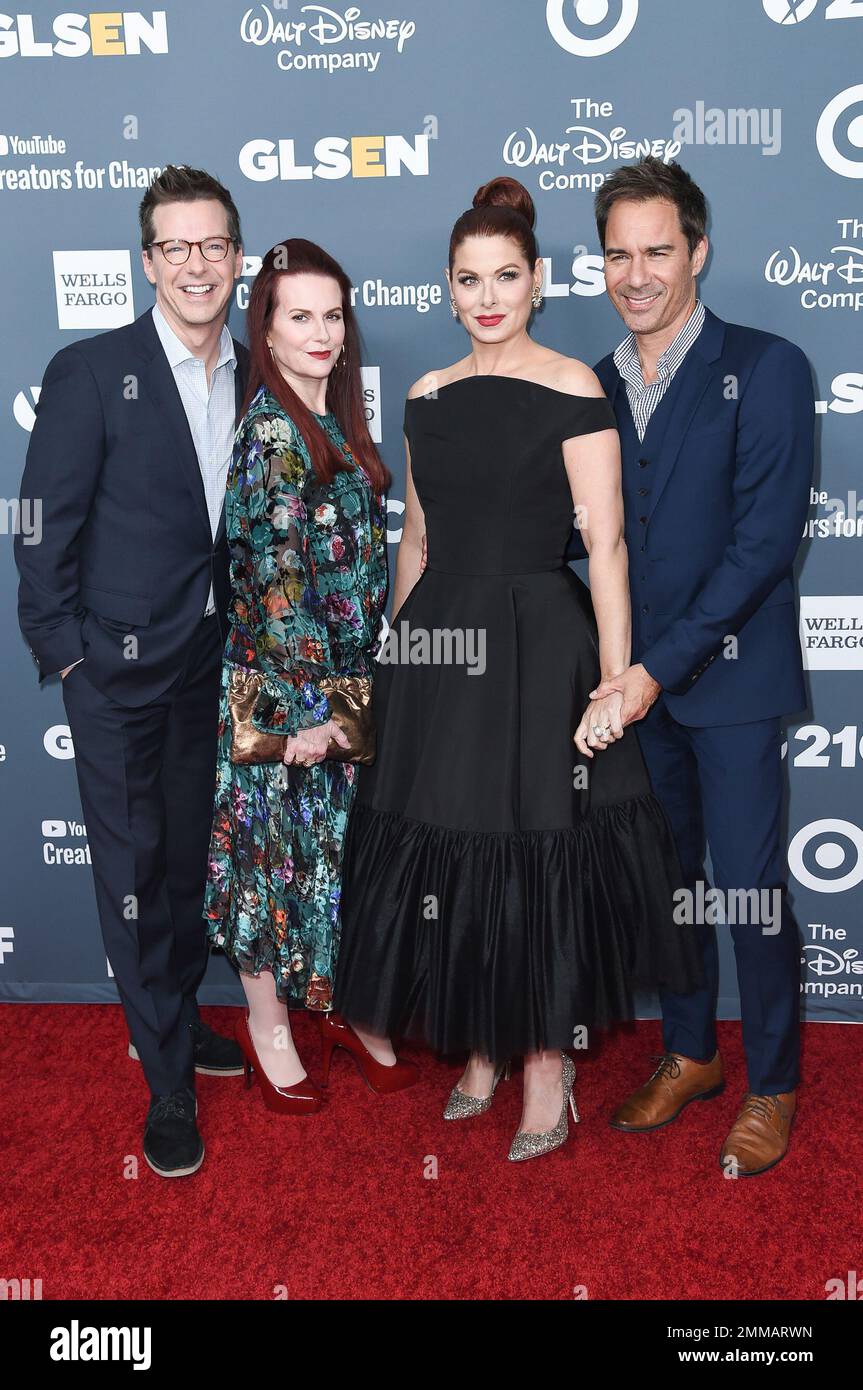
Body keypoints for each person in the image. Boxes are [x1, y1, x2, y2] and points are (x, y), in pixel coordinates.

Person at [331, 176, 704, 1162]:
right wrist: (394, 654)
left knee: (535, 847)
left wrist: (615, 683)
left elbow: (607, 547)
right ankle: (483, 1042)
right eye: (467, 278)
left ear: (536, 280)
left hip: (542, 643)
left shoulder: (574, 389)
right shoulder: (425, 398)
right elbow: (414, 538)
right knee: (453, 848)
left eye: (504, 275)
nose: (486, 294)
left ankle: (546, 1057)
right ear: (448, 290)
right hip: (439, 646)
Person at [572, 157, 814, 1176]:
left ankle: (771, 1084)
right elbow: (587, 541)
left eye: (656, 251)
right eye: (617, 254)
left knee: (747, 887)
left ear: (697, 251)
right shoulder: (590, 382)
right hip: (636, 692)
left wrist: (649, 671)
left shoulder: (765, 367)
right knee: (665, 881)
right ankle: (688, 1050)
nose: (636, 274)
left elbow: (761, 550)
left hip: (727, 684)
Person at [15, 165, 251, 1178]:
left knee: (185, 866)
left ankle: (182, 1015)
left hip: (207, 662)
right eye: (176, 247)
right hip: (109, 674)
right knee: (127, 881)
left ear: (236, 258)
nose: (196, 264)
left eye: (213, 245)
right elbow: (41, 533)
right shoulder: (90, 369)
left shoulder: (255, 373)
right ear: (148, 260)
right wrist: (67, 655)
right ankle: (165, 1086)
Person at [203, 238, 418, 1117]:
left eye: (333, 314)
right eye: (300, 316)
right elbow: (272, 581)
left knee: (338, 861)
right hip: (283, 692)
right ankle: (269, 1025)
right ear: (267, 327)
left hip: (345, 682)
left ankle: (342, 1007)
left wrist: (355, 694)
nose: (321, 331)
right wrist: (315, 717)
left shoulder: (338, 423)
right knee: (268, 862)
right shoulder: (268, 433)